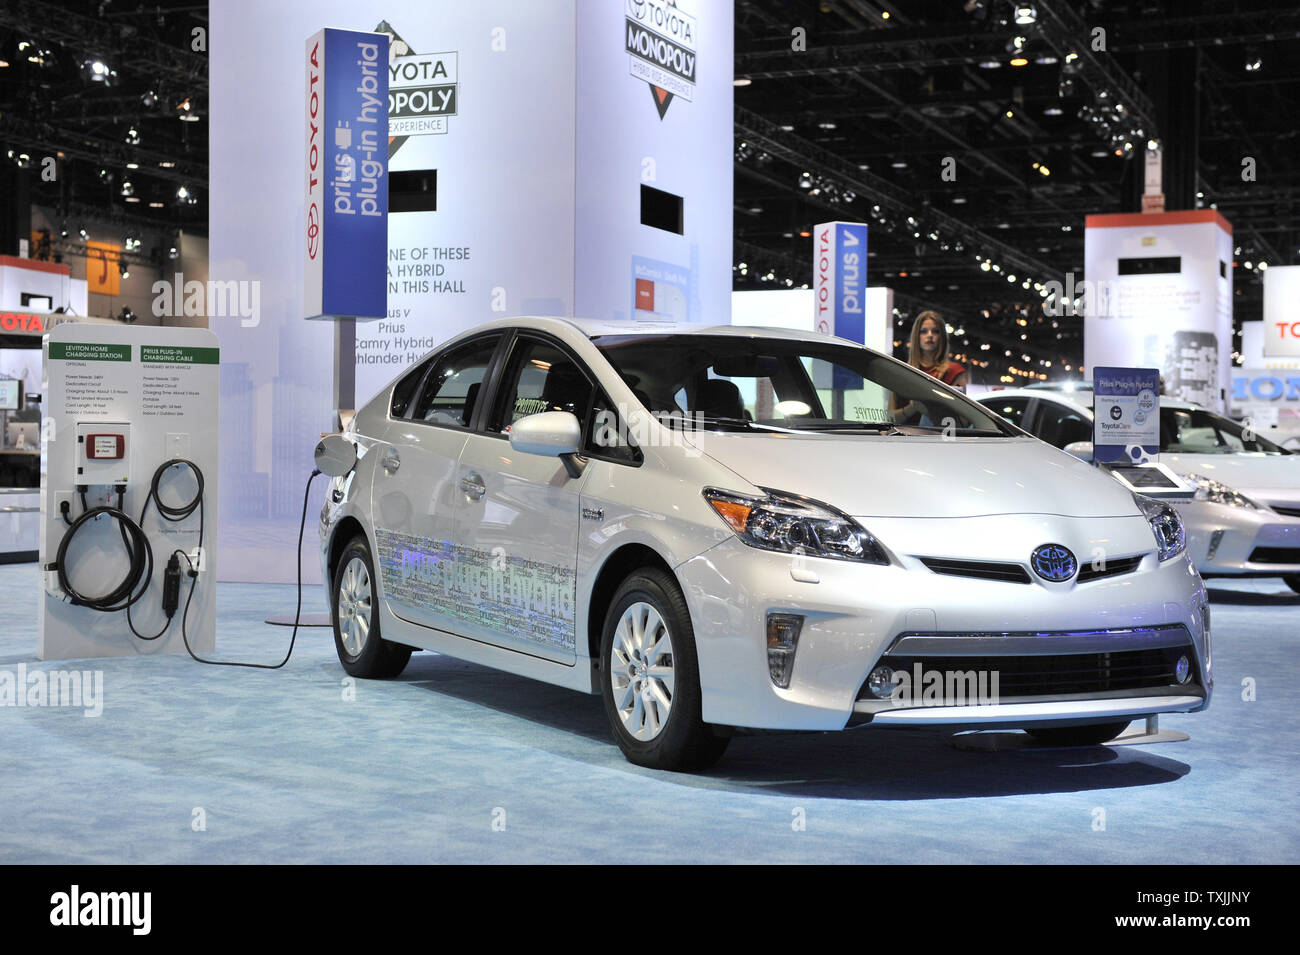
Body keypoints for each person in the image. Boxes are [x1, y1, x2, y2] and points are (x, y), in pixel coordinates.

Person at [907, 310, 967, 390]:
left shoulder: (954, 372)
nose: (930, 335)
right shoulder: (905, 373)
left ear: (942, 337)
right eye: (923, 331)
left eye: (935, 331)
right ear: (916, 336)